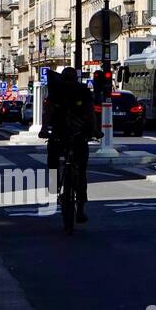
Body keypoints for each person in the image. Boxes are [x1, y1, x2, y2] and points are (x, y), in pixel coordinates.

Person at [46, 68, 94, 224]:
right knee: (77, 169)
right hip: (65, 133)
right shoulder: (60, 91)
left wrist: (94, 129)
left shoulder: (79, 91)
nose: (69, 82)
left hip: (73, 133)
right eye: (68, 79)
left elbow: (89, 111)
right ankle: (77, 208)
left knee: (80, 171)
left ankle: (79, 209)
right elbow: (49, 110)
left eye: (70, 79)